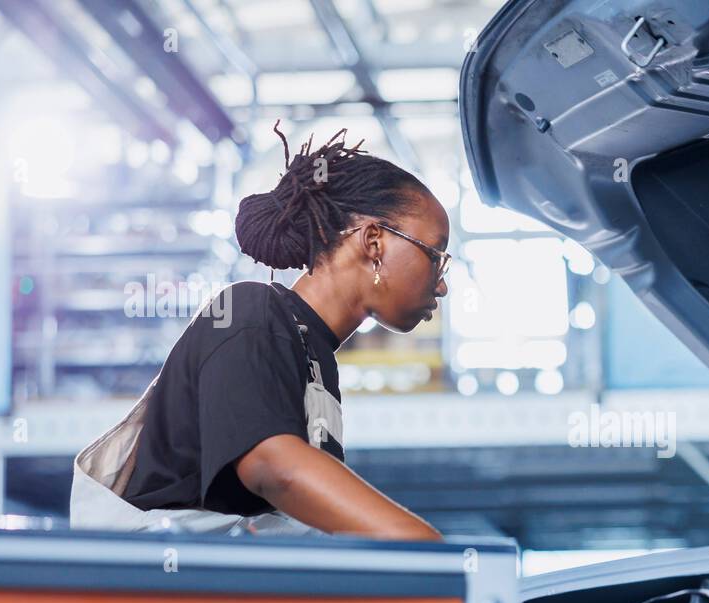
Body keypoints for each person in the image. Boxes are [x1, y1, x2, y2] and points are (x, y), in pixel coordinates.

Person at [70, 124, 446, 539]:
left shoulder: (314, 358)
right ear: (373, 241)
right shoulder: (250, 312)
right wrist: (422, 544)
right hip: (169, 592)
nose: (442, 284)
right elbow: (273, 466)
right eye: (436, 256)